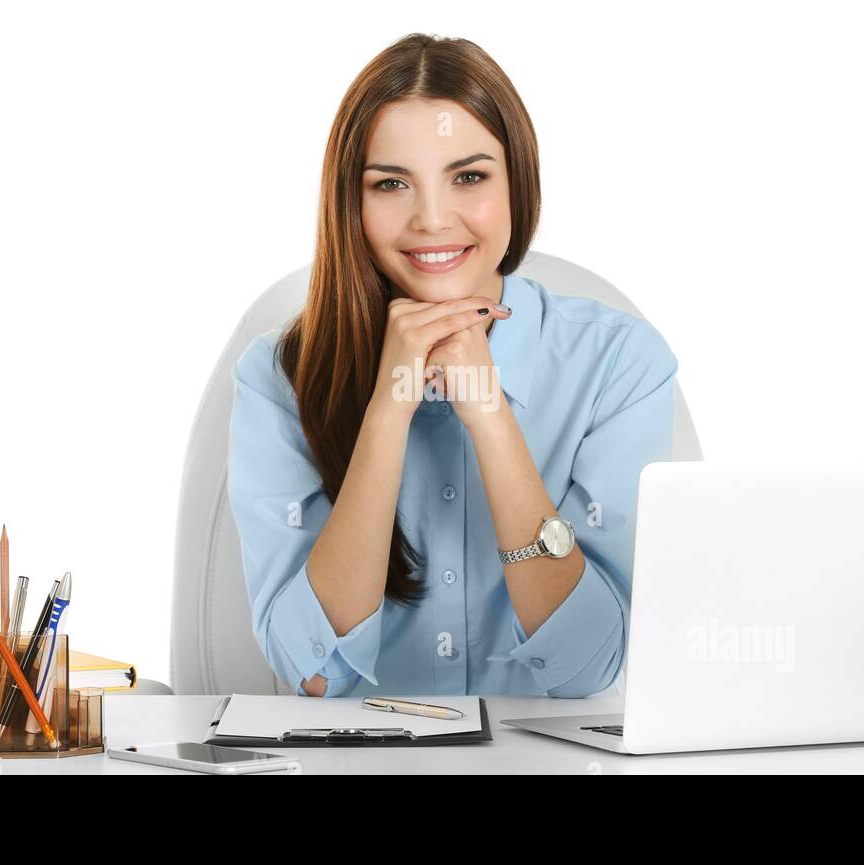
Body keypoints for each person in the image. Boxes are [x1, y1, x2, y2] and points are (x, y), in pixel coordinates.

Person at [228, 33, 678, 698]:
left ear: (517, 184)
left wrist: (490, 416)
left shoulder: (619, 363)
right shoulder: (276, 377)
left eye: (468, 176)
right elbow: (317, 673)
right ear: (350, 205)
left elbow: (588, 665)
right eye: (390, 184)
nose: (432, 219)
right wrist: (388, 409)